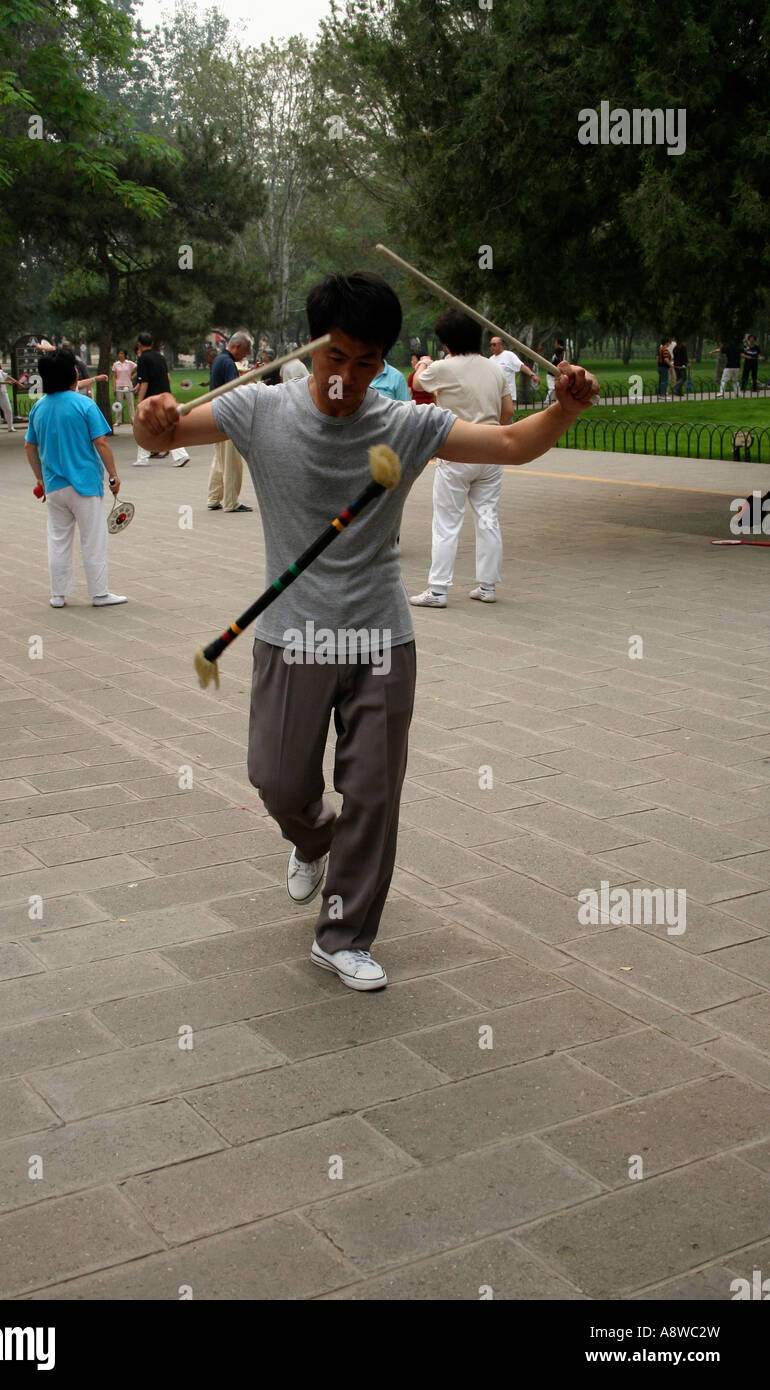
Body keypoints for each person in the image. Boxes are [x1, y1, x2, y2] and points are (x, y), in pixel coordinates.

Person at [133, 270, 598, 991]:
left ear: (382, 363)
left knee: (374, 795)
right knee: (279, 783)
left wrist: (564, 410)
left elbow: (510, 445)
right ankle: (311, 840)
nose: (346, 379)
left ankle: (344, 934)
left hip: (381, 634)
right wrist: (150, 416)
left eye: (365, 364)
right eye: (333, 359)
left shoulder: (404, 425)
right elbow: (160, 435)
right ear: (311, 348)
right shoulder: (258, 410)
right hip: (292, 635)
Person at [409, 309, 513, 608]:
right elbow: (507, 412)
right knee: (488, 517)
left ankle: (438, 590)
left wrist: (426, 363)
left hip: (457, 449)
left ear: (446, 342)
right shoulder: (494, 368)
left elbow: (417, 383)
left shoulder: (444, 367)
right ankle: (487, 586)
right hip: (492, 451)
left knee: (446, 522)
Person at [24, 348, 126, 610]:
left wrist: (40, 479)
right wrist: (113, 475)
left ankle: (58, 594)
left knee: (58, 539)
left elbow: (29, 447)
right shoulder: (84, 405)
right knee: (93, 539)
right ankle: (99, 593)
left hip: (55, 487)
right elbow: (101, 442)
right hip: (85, 486)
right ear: (73, 373)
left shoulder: (39, 407)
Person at [206, 331, 252, 510]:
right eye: (245, 351)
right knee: (232, 462)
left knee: (219, 460)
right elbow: (235, 392)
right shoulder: (228, 363)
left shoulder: (219, 360)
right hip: (228, 417)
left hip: (216, 414)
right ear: (237, 346)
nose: (245, 355)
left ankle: (213, 497)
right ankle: (231, 502)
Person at [132, 332, 190, 468]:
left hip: (151, 398)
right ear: (152, 343)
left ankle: (143, 458)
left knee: (144, 425)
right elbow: (167, 378)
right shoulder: (160, 357)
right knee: (168, 427)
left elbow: (144, 382)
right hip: (164, 395)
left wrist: (140, 401)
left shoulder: (142, 359)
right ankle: (180, 454)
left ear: (139, 345)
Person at [489, 336, 539, 403]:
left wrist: (532, 375)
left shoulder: (509, 355)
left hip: (508, 395)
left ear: (500, 345)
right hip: (495, 395)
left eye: (494, 344)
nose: (492, 347)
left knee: (507, 413)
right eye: (490, 345)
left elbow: (521, 366)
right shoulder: (490, 359)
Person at [111, 348, 136, 422]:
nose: (120, 355)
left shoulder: (129, 363)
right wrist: (114, 387)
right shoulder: (116, 364)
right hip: (119, 385)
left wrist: (132, 377)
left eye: (122, 353)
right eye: (119, 353)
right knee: (119, 403)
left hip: (128, 385)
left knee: (130, 403)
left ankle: (132, 419)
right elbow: (114, 376)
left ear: (125, 354)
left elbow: (137, 369)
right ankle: (118, 420)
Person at [544, 338, 567, 404]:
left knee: (556, 388)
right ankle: (548, 400)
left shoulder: (560, 355)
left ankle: (554, 400)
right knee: (552, 388)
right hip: (551, 375)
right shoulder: (556, 361)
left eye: (555, 343)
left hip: (555, 375)